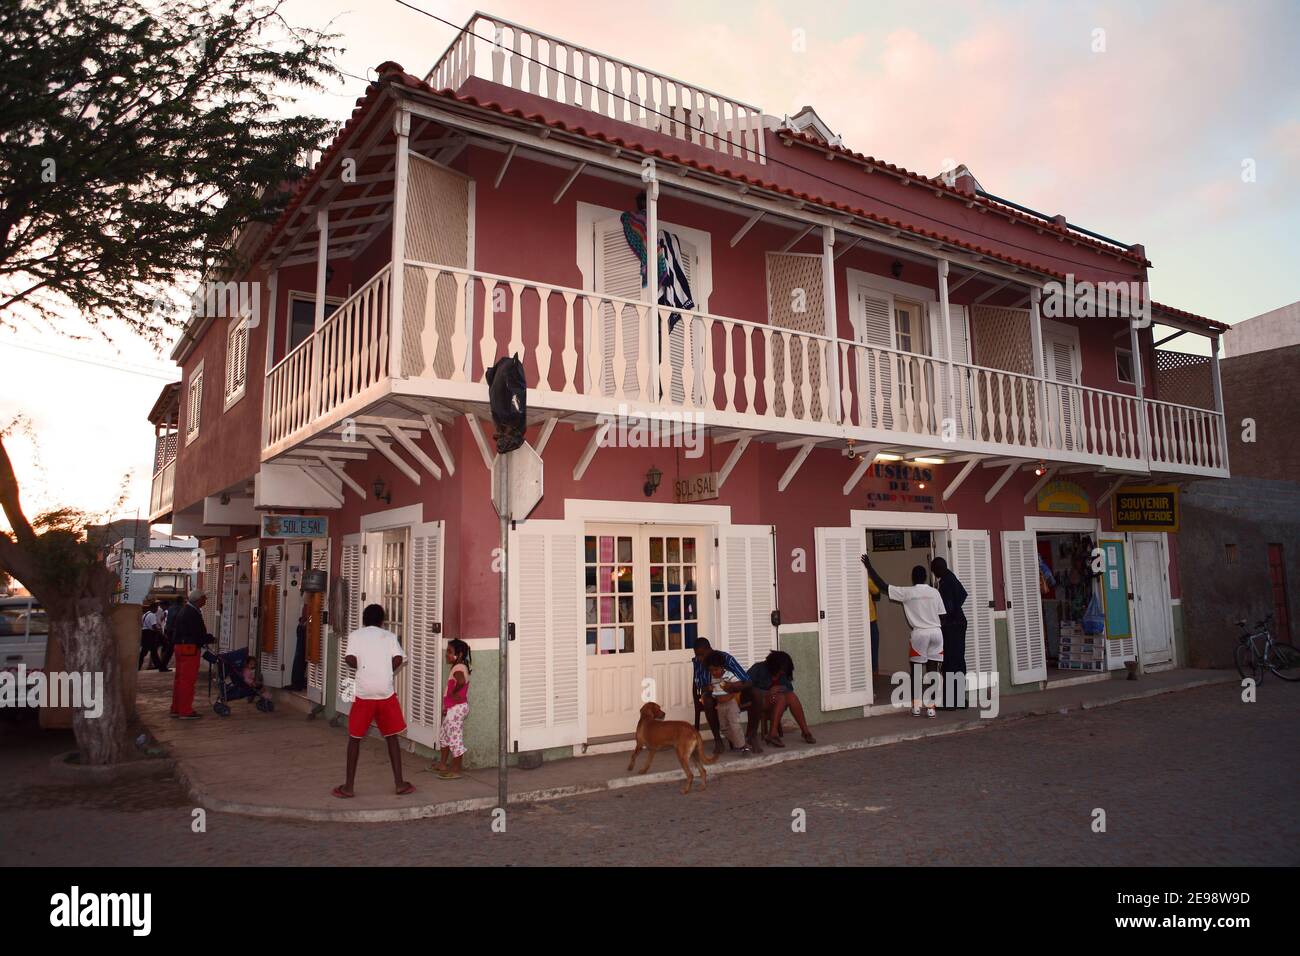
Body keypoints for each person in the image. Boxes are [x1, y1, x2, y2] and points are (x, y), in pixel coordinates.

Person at [333, 604, 414, 798]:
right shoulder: (389, 637)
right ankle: (400, 784)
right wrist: (386, 669)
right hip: (385, 692)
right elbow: (399, 658)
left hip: (364, 694)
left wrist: (362, 666)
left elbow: (349, 659)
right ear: (382, 620)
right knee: (392, 737)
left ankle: (348, 787)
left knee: (355, 739)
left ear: (364, 619)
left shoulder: (356, 636)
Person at [862, 555, 945, 718]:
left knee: (916, 670)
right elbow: (942, 615)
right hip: (936, 632)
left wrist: (869, 567)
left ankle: (915, 707)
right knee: (933, 671)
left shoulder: (908, 592)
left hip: (919, 634)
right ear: (926, 577)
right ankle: (931, 708)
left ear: (913, 578)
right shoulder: (935, 592)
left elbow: (883, 586)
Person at [690, 638, 762, 755]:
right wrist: (708, 687)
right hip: (714, 696)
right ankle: (718, 741)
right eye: (697, 655)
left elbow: (747, 681)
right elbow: (700, 686)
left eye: (701, 655)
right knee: (707, 699)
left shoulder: (726, 659)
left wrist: (732, 686)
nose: (699, 658)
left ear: (709, 650)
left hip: (734, 693)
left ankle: (751, 735)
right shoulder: (698, 662)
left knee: (757, 693)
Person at [748, 649, 816, 747]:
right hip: (758, 701)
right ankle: (773, 734)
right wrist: (768, 693)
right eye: (780, 670)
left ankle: (805, 732)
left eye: (783, 671)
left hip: (777, 701)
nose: (782, 672)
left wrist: (778, 688)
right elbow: (747, 687)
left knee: (791, 696)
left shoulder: (783, 673)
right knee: (781, 698)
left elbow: (789, 688)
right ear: (773, 666)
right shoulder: (758, 668)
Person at [930, 557, 969, 710]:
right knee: (959, 661)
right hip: (960, 624)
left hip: (952, 627)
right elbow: (962, 596)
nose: (934, 573)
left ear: (937, 569)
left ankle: (950, 702)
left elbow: (947, 608)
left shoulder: (946, 583)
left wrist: (942, 620)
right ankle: (960, 699)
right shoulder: (951, 578)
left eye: (934, 570)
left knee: (950, 664)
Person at [170, 589, 213, 719]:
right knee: (187, 680)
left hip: (180, 646)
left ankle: (176, 708)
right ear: (198, 599)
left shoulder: (184, 611)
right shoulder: (192, 613)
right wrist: (208, 639)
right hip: (189, 648)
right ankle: (185, 710)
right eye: (204, 599)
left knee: (180, 680)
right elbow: (197, 633)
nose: (205, 601)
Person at [433, 639, 472, 779]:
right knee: (444, 735)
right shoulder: (458, 667)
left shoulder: (458, 668)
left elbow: (461, 682)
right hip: (453, 708)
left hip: (457, 708)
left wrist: (454, 693)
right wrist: (447, 705)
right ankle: (443, 764)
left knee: (455, 738)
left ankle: (456, 770)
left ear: (459, 654)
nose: (446, 654)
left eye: (450, 652)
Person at [706, 650, 752, 755]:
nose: (714, 672)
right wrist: (710, 689)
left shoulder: (729, 675)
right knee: (724, 729)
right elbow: (714, 690)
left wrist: (731, 691)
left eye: (716, 669)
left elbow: (737, 686)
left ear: (722, 667)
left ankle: (743, 747)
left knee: (734, 725)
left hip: (731, 704)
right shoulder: (712, 678)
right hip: (720, 706)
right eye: (711, 670)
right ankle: (742, 743)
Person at [138, 602, 164, 671]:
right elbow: (153, 626)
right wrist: (159, 632)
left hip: (144, 633)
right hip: (150, 634)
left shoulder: (145, 614)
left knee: (145, 651)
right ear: (153, 608)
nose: (157, 610)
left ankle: (139, 666)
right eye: (156, 608)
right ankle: (160, 666)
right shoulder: (152, 615)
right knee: (152, 651)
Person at [288, 607, 309, 691]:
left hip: (305, 627)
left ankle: (297, 682)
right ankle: (299, 682)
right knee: (302, 656)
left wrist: (302, 622)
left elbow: (306, 609)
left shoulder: (307, 595)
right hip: (305, 626)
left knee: (300, 656)